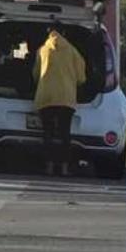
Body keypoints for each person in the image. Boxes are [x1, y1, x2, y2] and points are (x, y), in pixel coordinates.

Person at [34, 21, 87, 176]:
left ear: (48, 33)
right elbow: (81, 77)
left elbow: (36, 74)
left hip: (46, 96)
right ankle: (64, 168)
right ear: (63, 33)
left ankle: (49, 167)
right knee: (65, 133)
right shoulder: (72, 51)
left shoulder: (42, 50)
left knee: (48, 133)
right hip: (66, 97)